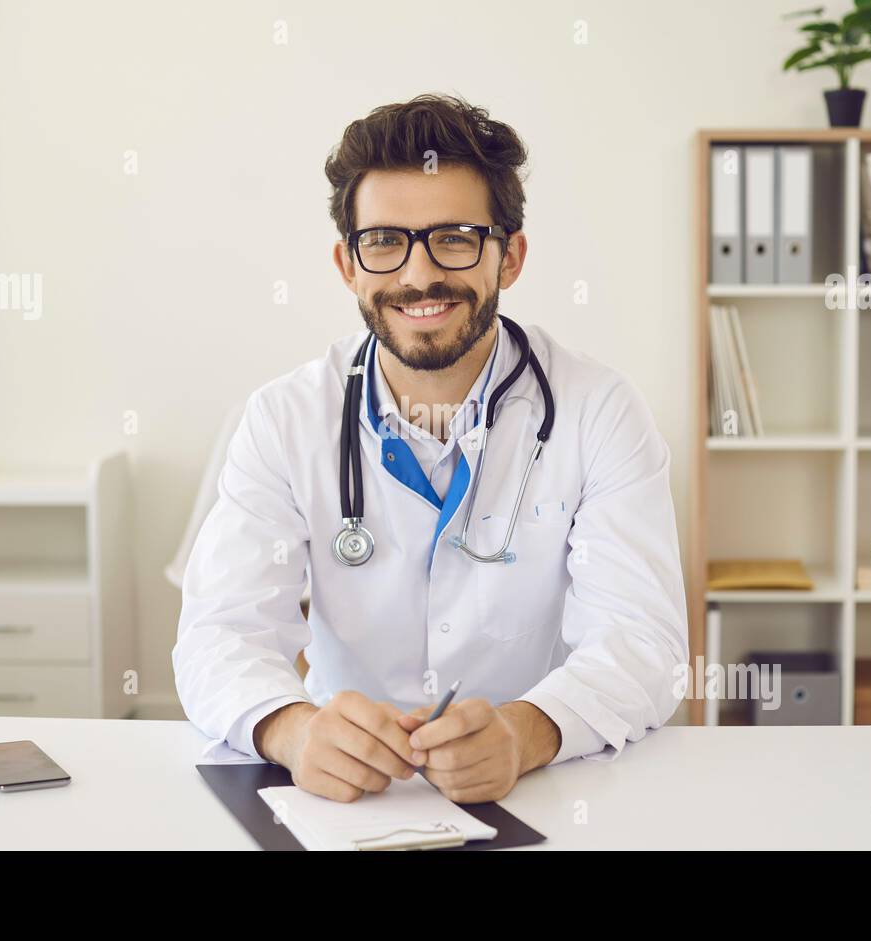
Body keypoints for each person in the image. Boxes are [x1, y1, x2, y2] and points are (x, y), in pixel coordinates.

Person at [174, 93, 687, 804]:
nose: (418, 275)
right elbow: (218, 635)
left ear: (510, 258)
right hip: (343, 801)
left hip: (541, 789)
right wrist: (294, 732)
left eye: (455, 237)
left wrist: (524, 732)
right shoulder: (284, 419)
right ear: (348, 264)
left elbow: (644, 643)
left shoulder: (598, 412)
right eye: (384, 241)